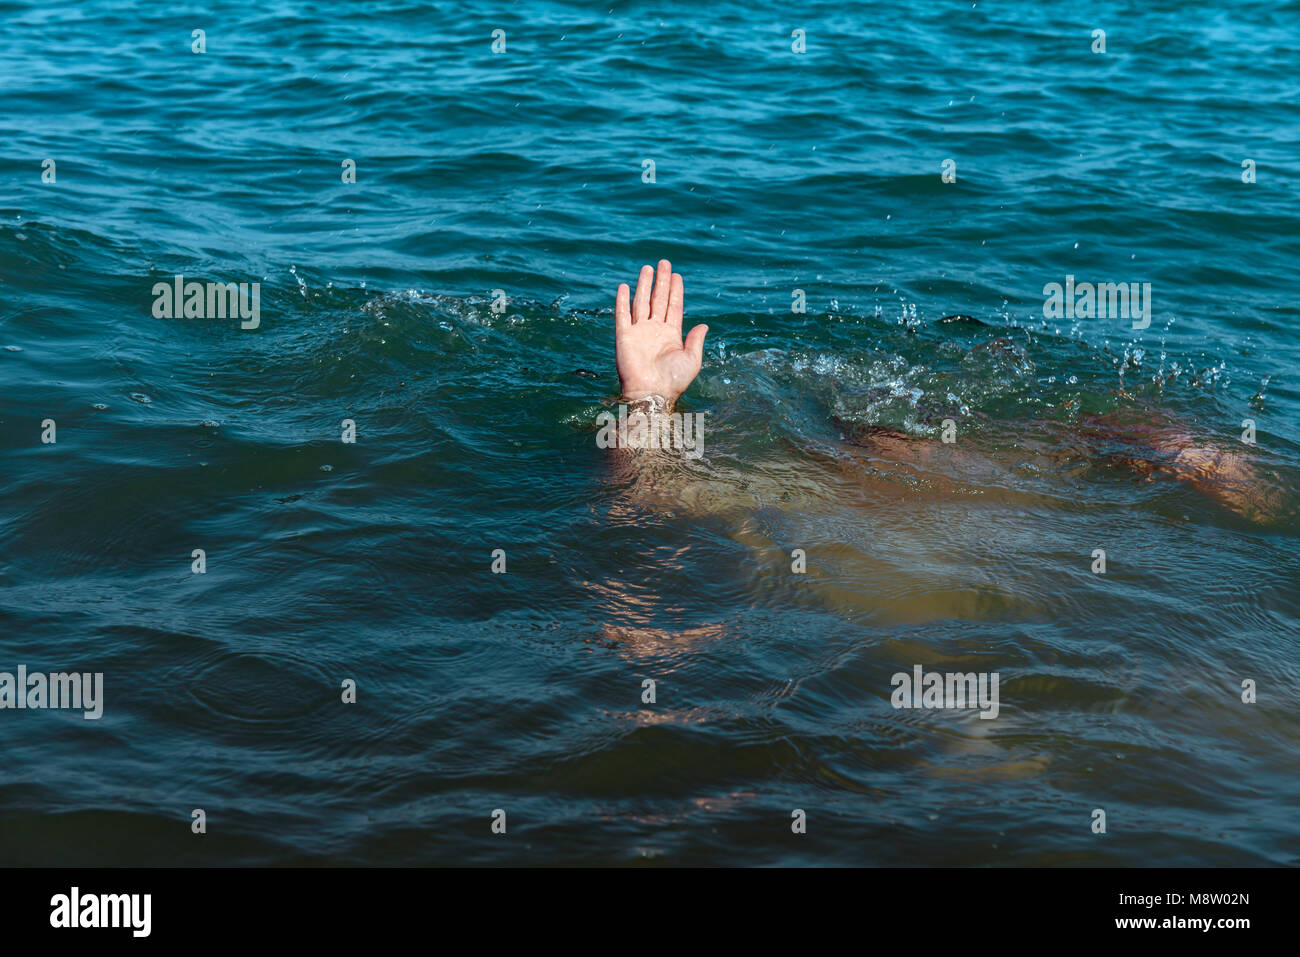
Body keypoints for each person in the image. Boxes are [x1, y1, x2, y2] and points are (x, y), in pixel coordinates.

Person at [611, 260, 1286, 523]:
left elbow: (1105, 437)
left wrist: (1193, 455)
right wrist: (647, 398)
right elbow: (645, 499)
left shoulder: (1005, 470)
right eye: (898, 439)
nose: (918, 444)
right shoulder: (812, 492)